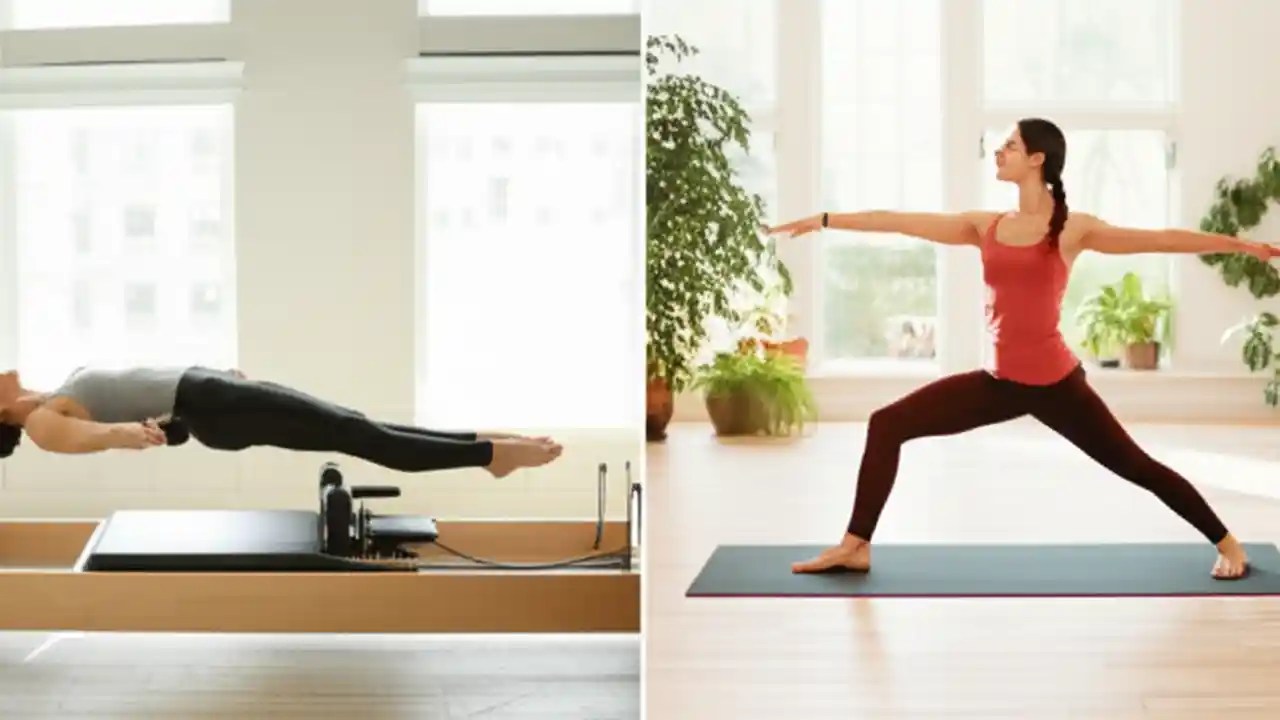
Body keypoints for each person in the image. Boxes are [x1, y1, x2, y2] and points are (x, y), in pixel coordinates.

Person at [768, 117, 1279, 581]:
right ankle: (855, 546)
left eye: (1010, 145)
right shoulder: (984, 226)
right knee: (887, 424)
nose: (998, 152)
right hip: (998, 383)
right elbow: (898, 219)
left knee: (1137, 467)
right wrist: (827, 219)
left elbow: (1162, 240)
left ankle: (1228, 543)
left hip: (1059, 387)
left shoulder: (1074, 229)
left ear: (1037, 159)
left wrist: (1242, 246)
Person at [0, 365, 561, 478]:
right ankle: (491, 456)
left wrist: (218, 375)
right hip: (212, 404)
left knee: (356, 425)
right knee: (355, 433)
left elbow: (146, 388)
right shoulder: (43, 423)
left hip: (211, 396)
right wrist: (125, 435)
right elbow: (83, 438)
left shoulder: (48, 393)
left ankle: (486, 446)